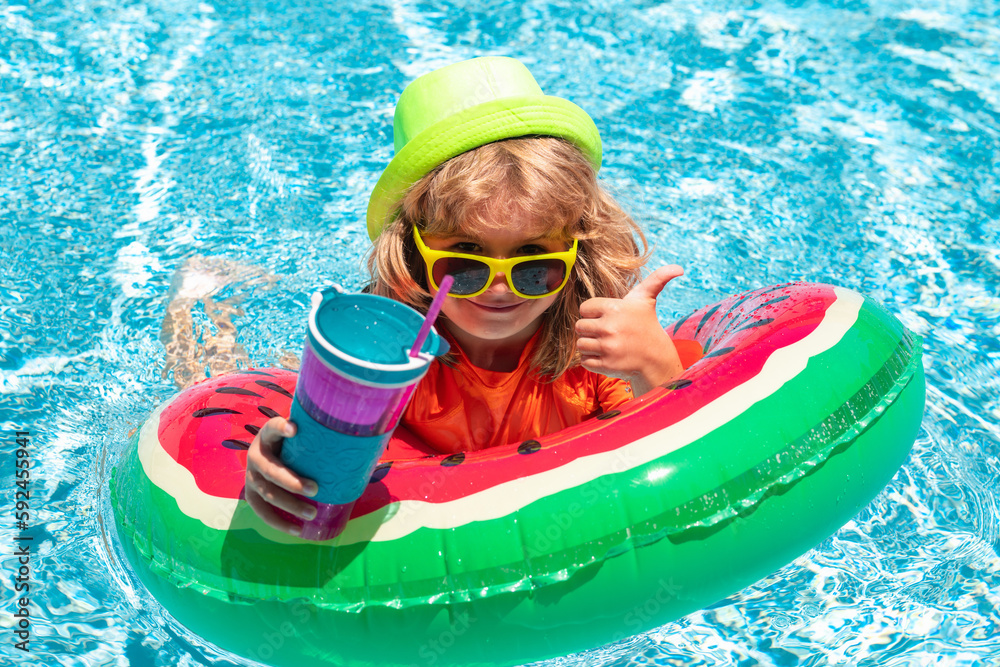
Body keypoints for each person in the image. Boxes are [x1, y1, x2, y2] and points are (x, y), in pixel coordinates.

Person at [243, 56, 686, 536]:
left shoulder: (595, 348)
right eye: (466, 256)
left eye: (534, 258)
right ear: (414, 251)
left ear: (576, 252)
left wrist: (654, 366)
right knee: (233, 363)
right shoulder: (388, 363)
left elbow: (678, 468)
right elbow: (320, 455)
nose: (499, 286)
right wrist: (284, 459)